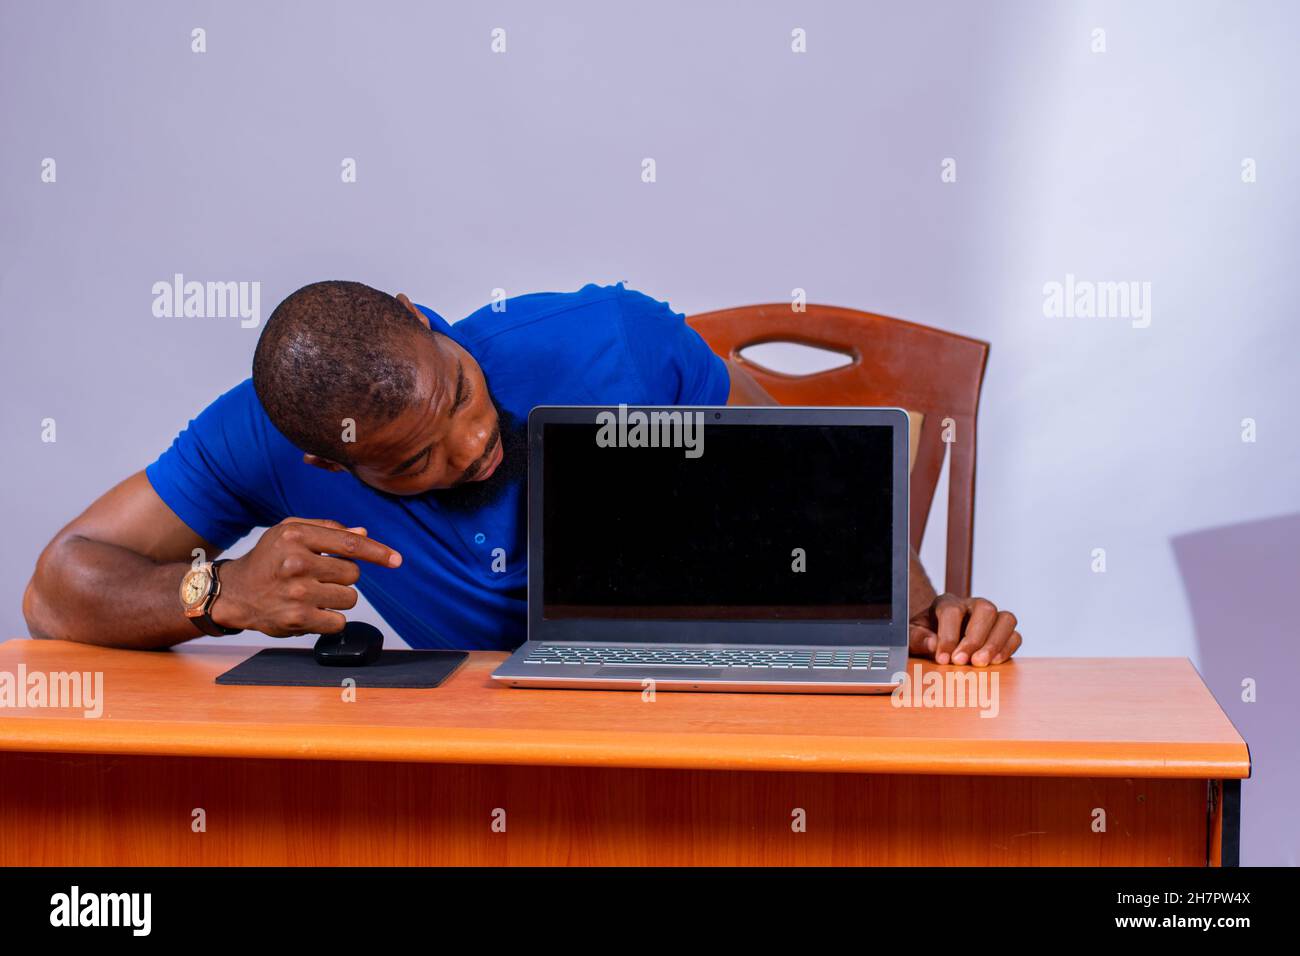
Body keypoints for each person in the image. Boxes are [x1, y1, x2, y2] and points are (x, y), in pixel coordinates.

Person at [23, 281, 1022, 666]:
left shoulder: (611, 340)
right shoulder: (262, 436)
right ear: (324, 459)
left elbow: (821, 485)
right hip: (497, 743)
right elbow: (56, 586)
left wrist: (922, 614)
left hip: (707, 699)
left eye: (458, 392)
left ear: (424, 317)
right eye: (411, 461)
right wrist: (221, 589)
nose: (470, 446)